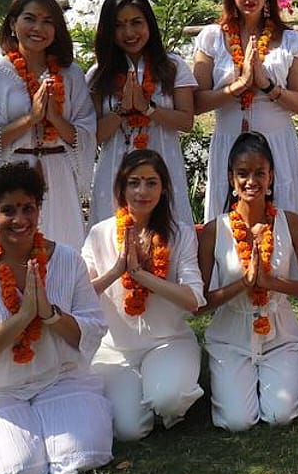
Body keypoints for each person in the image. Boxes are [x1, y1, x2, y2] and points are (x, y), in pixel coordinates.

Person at [0, 163, 112, 474]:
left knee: (86, 452)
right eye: (8, 210)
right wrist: (22, 318)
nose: (20, 219)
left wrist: (48, 314)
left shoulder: (68, 261)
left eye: (27, 208)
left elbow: (91, 328)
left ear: (39, 209)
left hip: (57, 378)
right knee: (14, 472)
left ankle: (44, 432)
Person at [198, 132, 298, 431]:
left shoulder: (290, 222)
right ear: (231, 178)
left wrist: (272, 282)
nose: (251, 181)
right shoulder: (213, 230)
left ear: (271, 177)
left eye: (259, 173)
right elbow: (198, 304)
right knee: (237, 422)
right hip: (231, 336)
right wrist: (243, 284)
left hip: (279, 335)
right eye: (242, 173)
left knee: (280, 416)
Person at [82, 150, 205, 441]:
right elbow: (79, 298)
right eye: (134, 182)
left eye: (151, 182)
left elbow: (194, 299)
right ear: (121, 189)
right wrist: (117, 271)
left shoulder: (181, 235)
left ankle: (159, 394)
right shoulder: (100, 234)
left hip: (168, 342)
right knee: (129, 431)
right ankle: (141, 394)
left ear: (163, 189)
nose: (142, 191)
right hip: (115, 350)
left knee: (168, 400)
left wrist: (142, 277)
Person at [0, 0, 96, 248]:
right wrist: (31, 119)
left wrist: (55, 119)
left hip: (59, 174)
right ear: (13, 24)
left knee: (64, 252)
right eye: (30, 19)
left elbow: (86, 135)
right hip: (12, 175)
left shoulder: (71, 75)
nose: (39, 27)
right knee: (15, 256)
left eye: (48, 21)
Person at [193, 0, 298, 221]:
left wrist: (266, 86)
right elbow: (196, 104)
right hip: (229, 141)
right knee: (230, 226)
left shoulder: (289, 40)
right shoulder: (212, 38)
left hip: (277, 142)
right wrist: (239, 86)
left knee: (280, 222)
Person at [88, 0, 196, 227]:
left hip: (163, 165)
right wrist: (122, 110)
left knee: (168, 241)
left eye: (136, 22)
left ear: (149, 23)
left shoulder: (173, 66)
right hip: (115, 169)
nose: (129, 32)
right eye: (118, 25)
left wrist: (148, 108)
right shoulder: (98, 75)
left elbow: (186, 121)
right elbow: (96, 135)